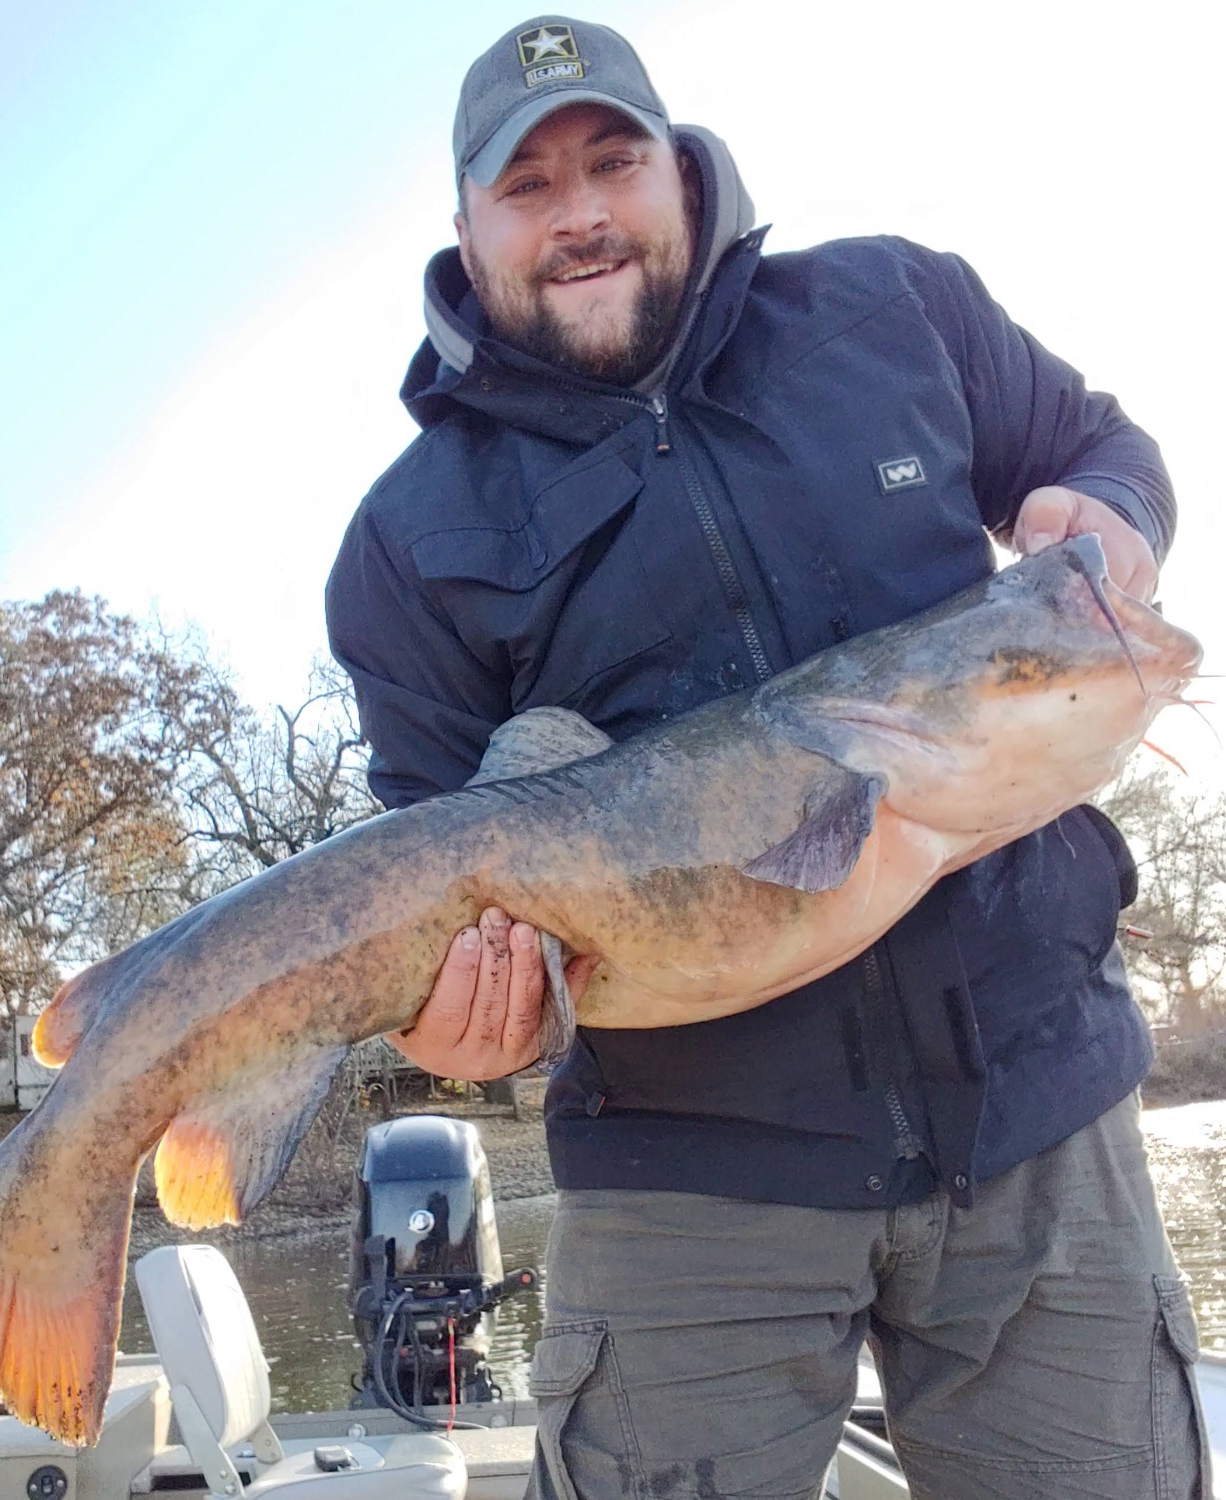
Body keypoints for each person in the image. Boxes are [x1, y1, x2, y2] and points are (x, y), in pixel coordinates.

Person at [325, 16, 1207, 1499]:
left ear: (682, 172)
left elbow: (1106, 449)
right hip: (686, 1190)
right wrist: (464, 1025)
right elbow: (435, 875)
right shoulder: (402, 544)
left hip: (1043, 1111)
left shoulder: (893, 304)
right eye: (529, 186)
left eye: (614, 161)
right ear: (467, 234)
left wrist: (1105, 522)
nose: (584, 211)